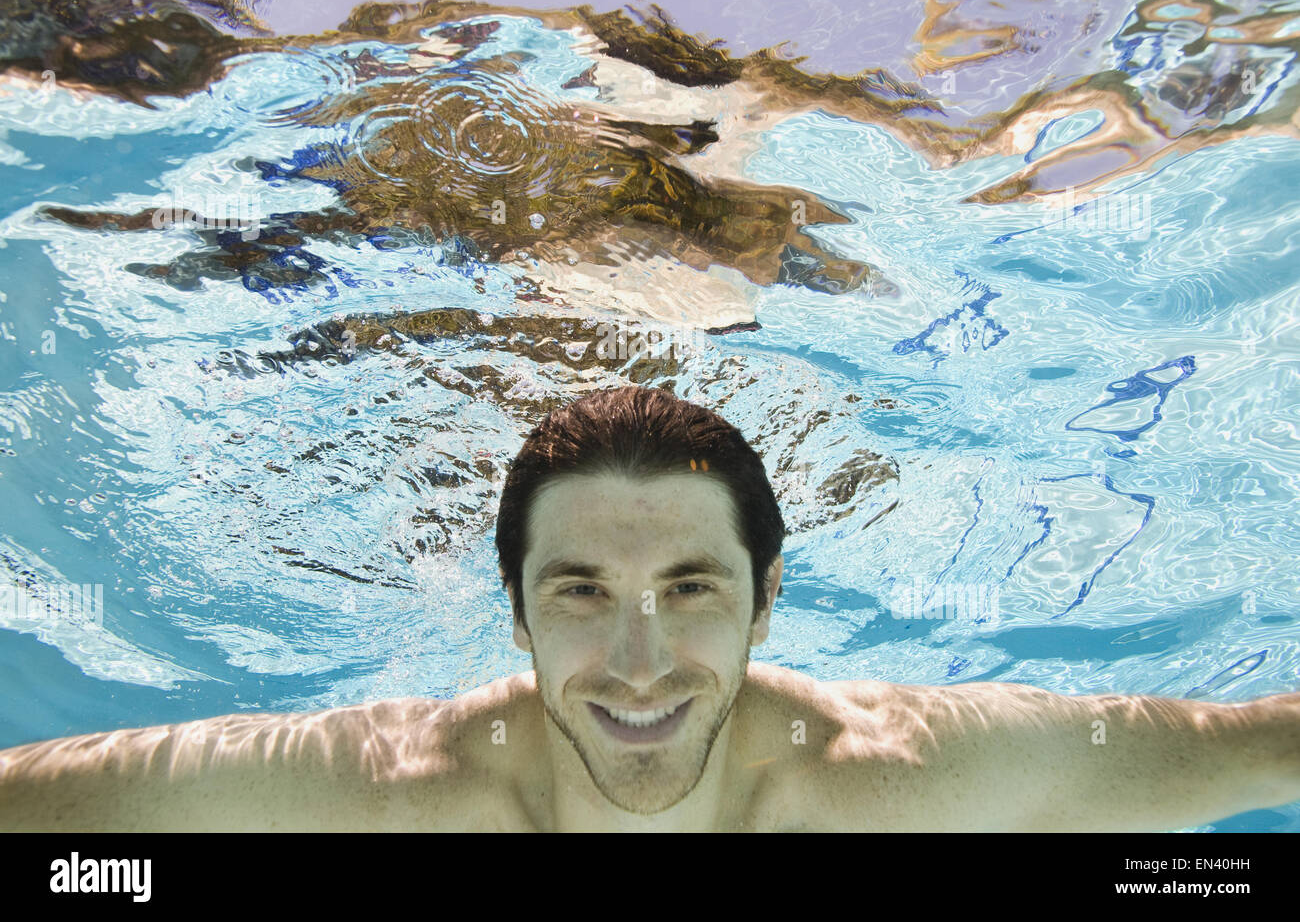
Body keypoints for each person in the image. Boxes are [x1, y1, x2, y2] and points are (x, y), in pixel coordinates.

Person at [1, 385, 1296, 831]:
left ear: (767, 601)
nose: (638, 661)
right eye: (580, 593)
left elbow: (1247, 754)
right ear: (513, 613)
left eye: (689, 589)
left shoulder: (896, 782)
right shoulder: (392, 794)